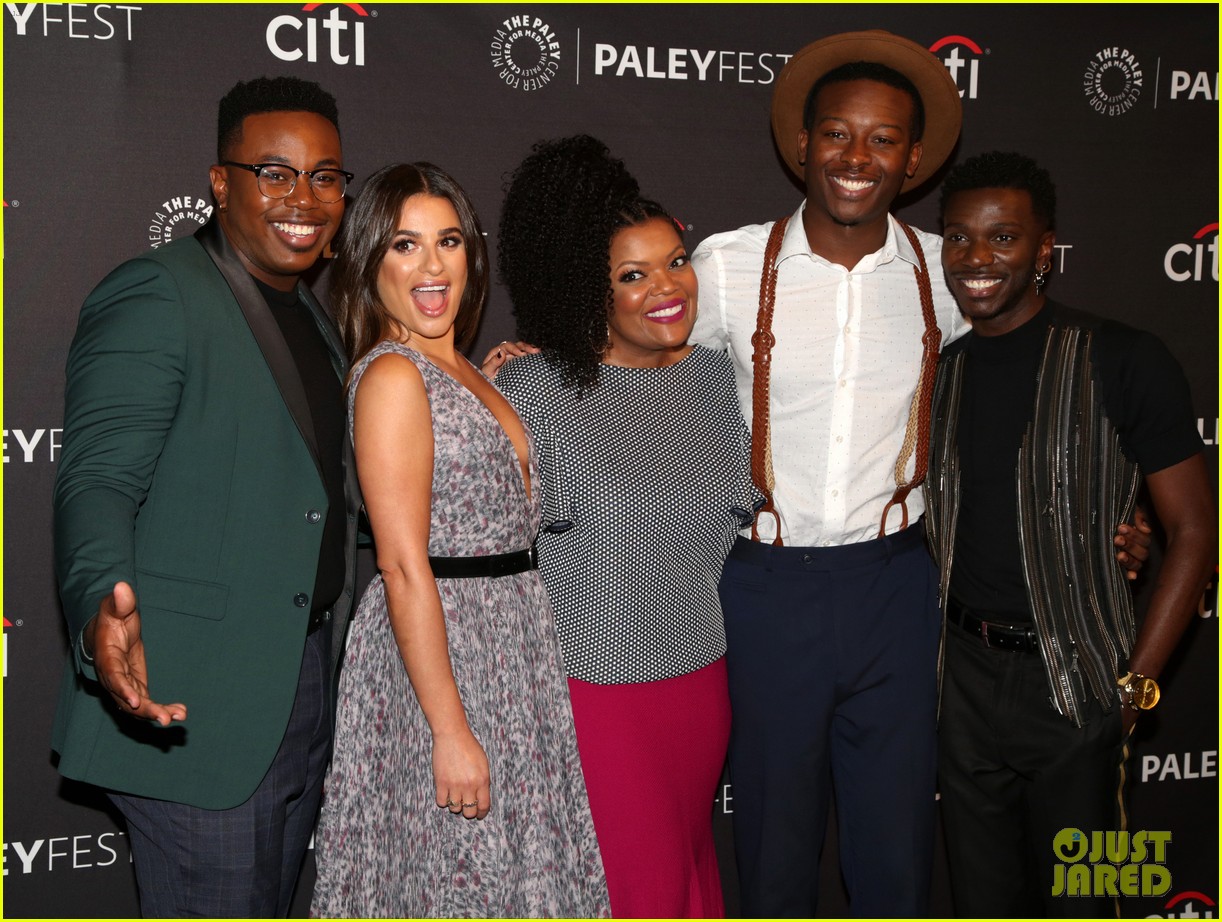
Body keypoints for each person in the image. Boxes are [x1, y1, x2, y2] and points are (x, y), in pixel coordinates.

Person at [51, 76, 360, 917]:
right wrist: (96, 607)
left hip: (299, 680)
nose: (305, 198)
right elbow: (97, 477)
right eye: (275, 172)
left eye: (326, 176)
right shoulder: (158, 294)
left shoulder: (313, 315)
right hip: (196, 696)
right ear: (220, 183)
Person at [689, 31, 968, 916]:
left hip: (896, 584)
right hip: (765, 585)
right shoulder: (729, 268)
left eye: (883, 139)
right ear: (802, 144)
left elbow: (1024, 380)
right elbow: (634, 382)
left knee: (894, 851)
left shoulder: (944, 270)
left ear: (914, 158)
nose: (858, 158)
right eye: (838, 135)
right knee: (773, 844)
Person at [308, 162, 609, 919]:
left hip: (510, 647)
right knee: (454, 879)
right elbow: (405, 566)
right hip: (444, 652)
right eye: (405, 245)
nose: (433, 264)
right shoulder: (393, 379)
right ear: (369, 258)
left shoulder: (466, 369)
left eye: (448, 240)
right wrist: (449, 727)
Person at [926, 150, 1215, 917]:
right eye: (959, 238)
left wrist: (1135, 690)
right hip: (961, 683)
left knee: (1087, 902)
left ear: (1044, 249)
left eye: (1003, 237)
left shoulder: (1123, 357)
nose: (977, 259)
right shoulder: (938, 373)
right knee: (983, 902)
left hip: (1078, 681)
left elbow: (1194, 528)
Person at [489, 135, 757, 918]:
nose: (667, 288)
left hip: (702, 680)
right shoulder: (533, 389)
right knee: (632, 892)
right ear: (587, 290)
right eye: (632, 275)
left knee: (685, 876)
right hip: (596, 692)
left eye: (676, 261)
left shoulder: (716, 379)